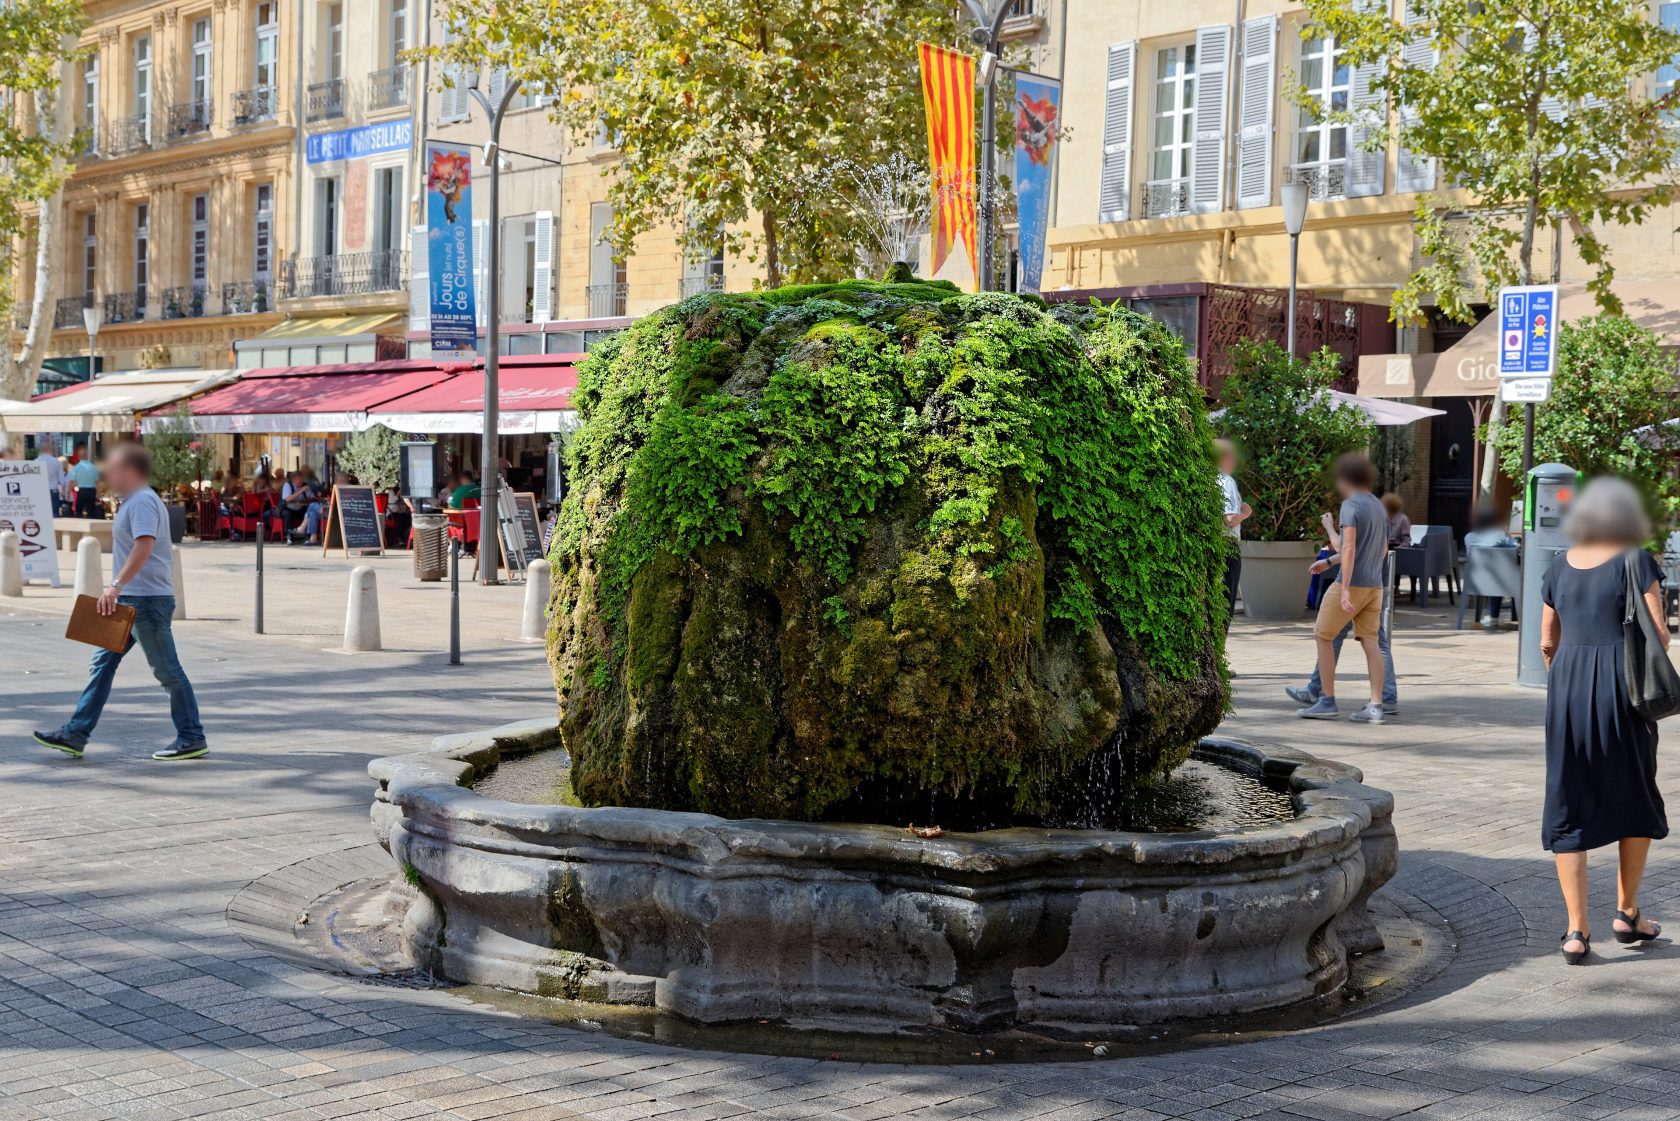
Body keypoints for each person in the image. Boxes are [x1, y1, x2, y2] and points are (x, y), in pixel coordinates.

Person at [1540, 477, 1667, 964]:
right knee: (1633, 790)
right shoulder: (1635, 560)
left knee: (1569, 795)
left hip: (1567, 689)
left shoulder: (1557, 566)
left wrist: (1568, 678)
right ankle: (1627, 912)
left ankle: (1576, 931)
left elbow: (1547, 641)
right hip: (1622, 689)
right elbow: (1658, 635)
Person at [32, 443, 208, 762]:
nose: (107, 475)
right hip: (130, 600)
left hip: (146, 601)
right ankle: (75, 734)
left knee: (167, 671)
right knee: (102, 665)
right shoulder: (133, 501)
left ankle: (192, 737)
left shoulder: (142, 502)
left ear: (130, 471)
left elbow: (143, 546)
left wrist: (115, 585)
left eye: (112, 469)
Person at [1297, 453, 1389, 724]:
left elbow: (1348, 547)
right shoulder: (1378, 506)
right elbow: (1381, 549)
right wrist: (1329, 562)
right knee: (1371, 643)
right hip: (1375, 586)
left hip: (1351, 584)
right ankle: (1376, 706)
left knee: (1323, 636)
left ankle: (1326, 700)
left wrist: (1346, 587)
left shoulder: (1351, 506)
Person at [1285, 531, 1399, 716]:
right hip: (1374, 582)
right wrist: (1329, 562)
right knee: (1363, 639)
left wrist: (1328, 526)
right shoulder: (1377, 512)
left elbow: (1344, 547)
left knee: (1328, 635)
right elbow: (1374, 549)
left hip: (1356, 584)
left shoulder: (1355, 509)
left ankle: (1324, 695)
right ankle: (1384, 698)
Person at [1214, 439, 1251, 625]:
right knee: (1225, 604)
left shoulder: (1202, 478)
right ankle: (1218, 648)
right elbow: (1230, 519)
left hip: (1210, 545)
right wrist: (1245, 513)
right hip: (1227, 546)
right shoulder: (1226, 481)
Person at [1464, 505, 1518, 628]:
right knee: (1506, 573)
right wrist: (1507, 534)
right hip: (1500, 580)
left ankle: (1493, 617)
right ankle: (1497, 616)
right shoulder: (1499, 535)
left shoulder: (1469, 537)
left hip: (1476, 580)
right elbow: (1515, 548)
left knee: (1498, 574)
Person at [69, 443, 101, 517]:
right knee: (91, 511)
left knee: (79, 511)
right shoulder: (93, 467)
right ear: (87, 456)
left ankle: (79, 526)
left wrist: (69, 491)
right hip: (91, 491)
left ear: (79, 456)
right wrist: (98, 494)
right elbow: (97, 482)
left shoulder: (76, 468)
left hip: (82, 491)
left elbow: (72, 482)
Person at [38, 447, 66, 517]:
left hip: (41, 490)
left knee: (42, 512)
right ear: (50, 451)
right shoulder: (57, 462)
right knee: (55, 512)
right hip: (54, 489)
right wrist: (63, 490)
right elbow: (62, 479)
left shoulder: (36, 461)